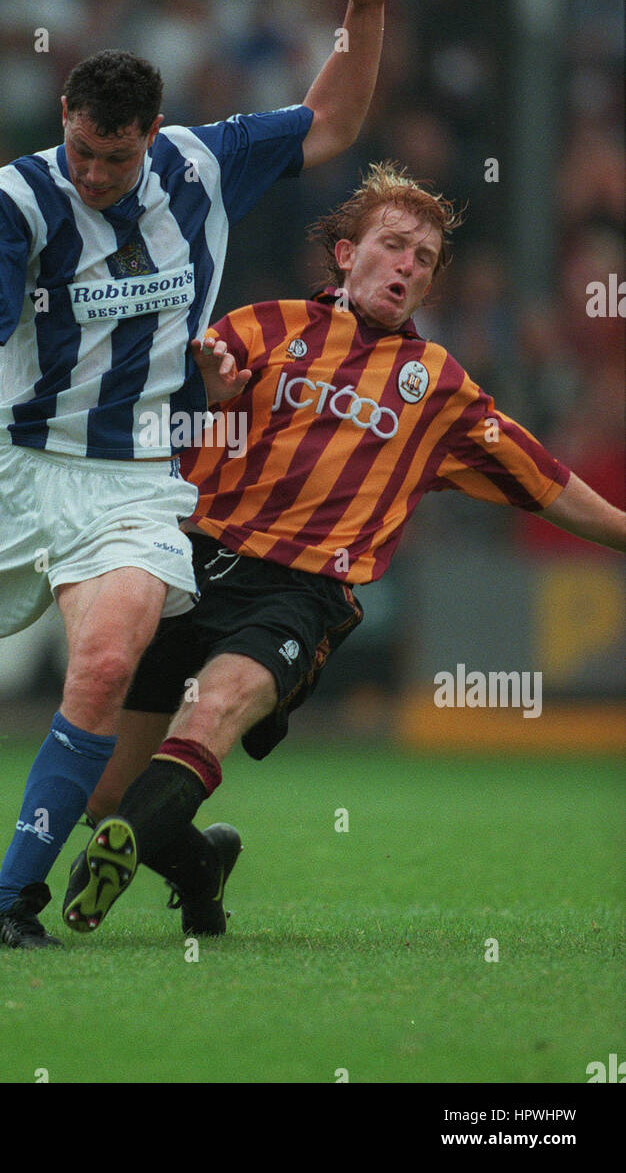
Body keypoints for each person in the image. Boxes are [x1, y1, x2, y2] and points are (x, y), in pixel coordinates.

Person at [0, 0, 398, 949]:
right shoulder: (14, 198)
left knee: (103, 666)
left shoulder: (198, 164)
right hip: (15, 469)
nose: (98, 173)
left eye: (118, 155)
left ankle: (14, 904)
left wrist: (362, 10)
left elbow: (330, 119)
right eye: (83, 151)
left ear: (153, 134)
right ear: (62, 122)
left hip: (137, 480)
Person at [57, 161, 626, 937]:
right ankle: (198, 865)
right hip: (186, 566)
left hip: (301, 594)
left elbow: (549, 482)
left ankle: (108, 868)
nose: (407, 266)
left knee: (215, 709)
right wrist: (205, 388)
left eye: (424, 261)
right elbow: (158, 403)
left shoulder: (440, 388)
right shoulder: (261, 325)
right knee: (105, 795)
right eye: (393, 246)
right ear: (345, 253)